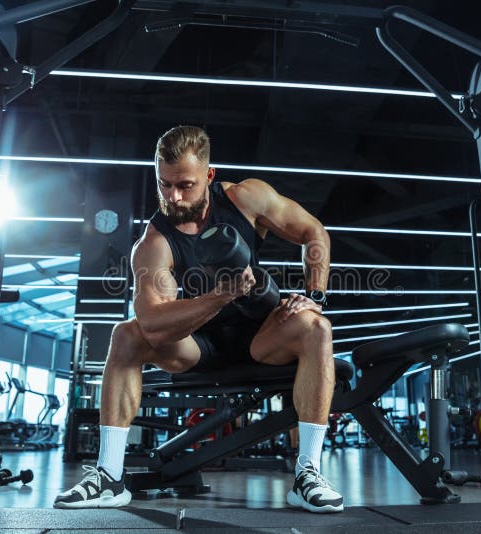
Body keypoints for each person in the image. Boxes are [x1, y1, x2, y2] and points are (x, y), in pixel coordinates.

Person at [55, 125, 342, 513]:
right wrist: (222, 295)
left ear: (209, 175)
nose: (173, 196)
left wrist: (314, 296)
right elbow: (154, 324)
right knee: (126, 334)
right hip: (196, 344)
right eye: (164, 184)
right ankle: (109, 476)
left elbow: (313, 232)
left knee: (316, 328)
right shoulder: (154, 242)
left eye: (185, 185)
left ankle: (307, 473)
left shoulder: (246, 198)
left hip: (264, 337)